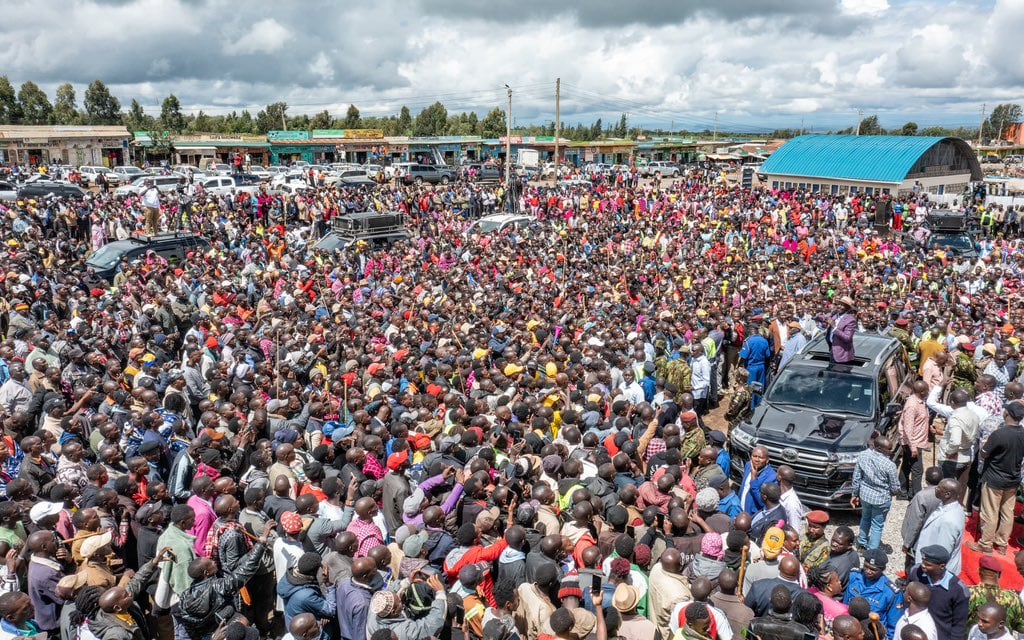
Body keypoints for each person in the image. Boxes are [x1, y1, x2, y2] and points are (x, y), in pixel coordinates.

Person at [968, 402, 1024, 554]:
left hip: (994, 479)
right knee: (1007, 513)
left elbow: (983, 453)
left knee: (990, 512)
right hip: (1013, 479)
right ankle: (1001, 544)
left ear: (1007, 414)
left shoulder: (999, 434)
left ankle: (985, 544)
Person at [908, 544, 970, 640]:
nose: (923, 566)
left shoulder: (958, 590)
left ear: (942, 566)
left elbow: (959, 626)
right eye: (923, 562)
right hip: (912, 633)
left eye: (928, 565)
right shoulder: (915, 573)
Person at [850, 437, 900, 551]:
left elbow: (856, 477)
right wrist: (892, 493)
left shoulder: (863, 455)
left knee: (865, 518)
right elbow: (895, 487)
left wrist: (854, 494)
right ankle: (872, 551)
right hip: (881, 499)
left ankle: (861, 542)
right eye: (889, 449)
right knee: (877, 525)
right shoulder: (890, 465)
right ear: (879, 448)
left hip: (865, 495)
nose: (891, 451)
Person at [843, 549, 900, 638]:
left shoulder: (891, 593)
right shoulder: (854, 576)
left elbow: (893, 627)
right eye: (866, 566)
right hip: (849, 630)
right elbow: (844, 606)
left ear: (882, 570)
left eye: (873, 569)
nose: (868, 571)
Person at [915, 479, 965, 576]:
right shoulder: (950, 506)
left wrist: (928, 571)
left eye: (939, 488)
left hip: (935, 572)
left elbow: (942, 552)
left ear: (947, 494)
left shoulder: (949, 521)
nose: (936, 489)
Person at [968, 555, 1024, 634]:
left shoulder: (968, 592)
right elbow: (1021, 627)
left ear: (979, 571)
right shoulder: (1013, 598)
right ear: (999, 574)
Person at [898, 380, 931, 498]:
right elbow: (908, 429)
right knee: (917, 470)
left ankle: (902, 491)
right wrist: (913, 448)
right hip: (913, 443)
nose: (929, 392)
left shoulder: (921, 401)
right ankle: (916, 495)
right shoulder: (912, 405)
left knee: (906, 466)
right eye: (927, 390)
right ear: (922, 392)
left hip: (917, 441)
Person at [738, 447, 776, 516]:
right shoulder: (748, 465)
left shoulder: (772, 477)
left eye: (760, 457)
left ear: (767, 460)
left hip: (753, 515)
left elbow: (763, 503)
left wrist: (753, 480)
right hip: (740, 510)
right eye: (754, 456)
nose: (757, 460)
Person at [827, 295, 858, 364]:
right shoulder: (835, 316)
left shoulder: (850, 320)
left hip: (843, 356)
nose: (839, 306)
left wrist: (834, 327)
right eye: (839, 304)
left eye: (842, 305)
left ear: (848, 308)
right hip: (833, 351)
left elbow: (847, 338)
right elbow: (823, 317)